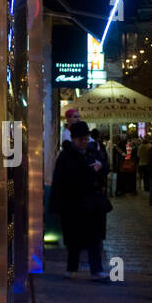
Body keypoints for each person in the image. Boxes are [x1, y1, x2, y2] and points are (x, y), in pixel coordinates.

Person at [48, 120, 111, 280]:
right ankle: (72, 268)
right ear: (74, 139)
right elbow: (59, 181)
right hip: (73, 204)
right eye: (81, 139)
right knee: (73, 239)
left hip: (91, 204)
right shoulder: (66, 156)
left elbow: (105, 167)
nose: (84, 141)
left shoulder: (92, 152)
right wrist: (56, 206)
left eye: (86, 138)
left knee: (94, 238)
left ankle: (96, 270)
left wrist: (100, 167)